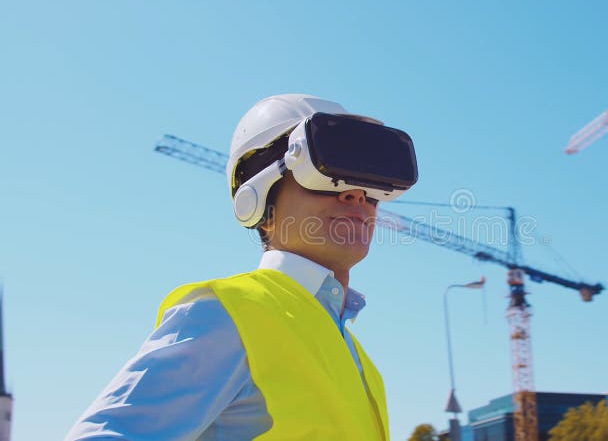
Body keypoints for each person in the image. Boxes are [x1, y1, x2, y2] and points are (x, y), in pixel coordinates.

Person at [66, 94, 419, 440]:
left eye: (368, 183)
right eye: (326, 174)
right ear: (260, 200)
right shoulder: (229, 316)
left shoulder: (360, 362)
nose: (356, 195)